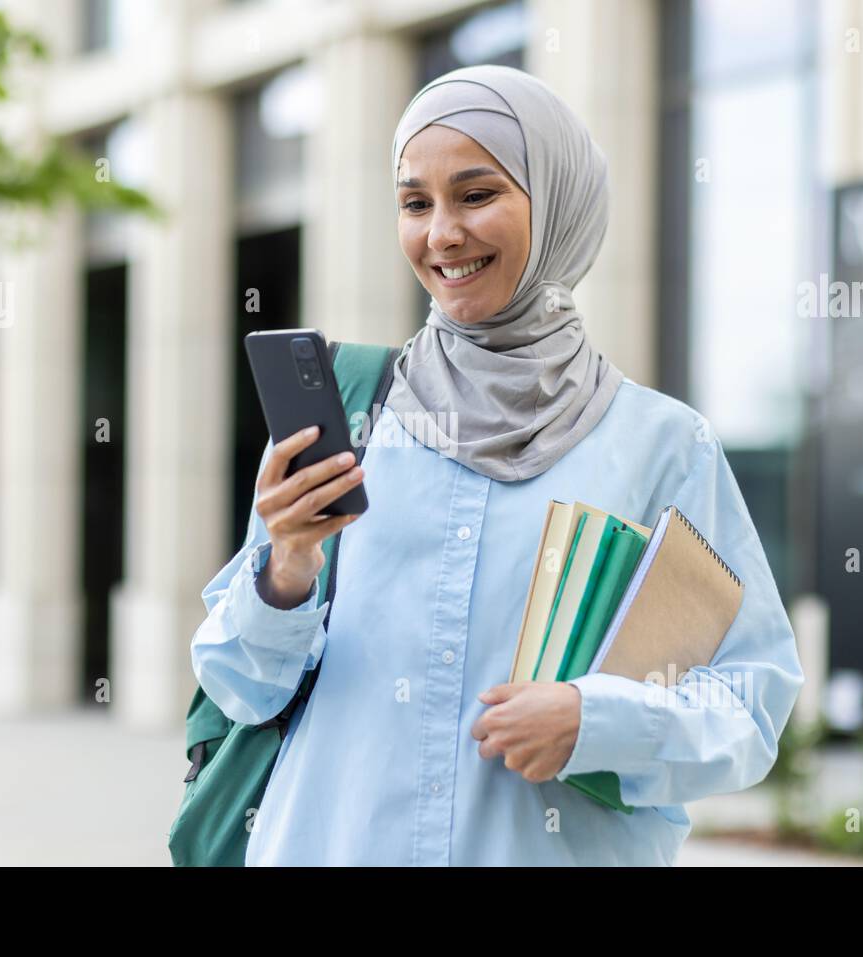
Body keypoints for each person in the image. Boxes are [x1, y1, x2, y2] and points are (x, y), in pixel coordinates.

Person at [190, 64, 804, 866]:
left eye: (476, 195)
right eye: (416, 203)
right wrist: (288, 570)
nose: (441, 233)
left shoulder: (663, 445)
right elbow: (242, 689)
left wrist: (597, 719)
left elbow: (751, 702)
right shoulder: (352, 419)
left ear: (555, 204)